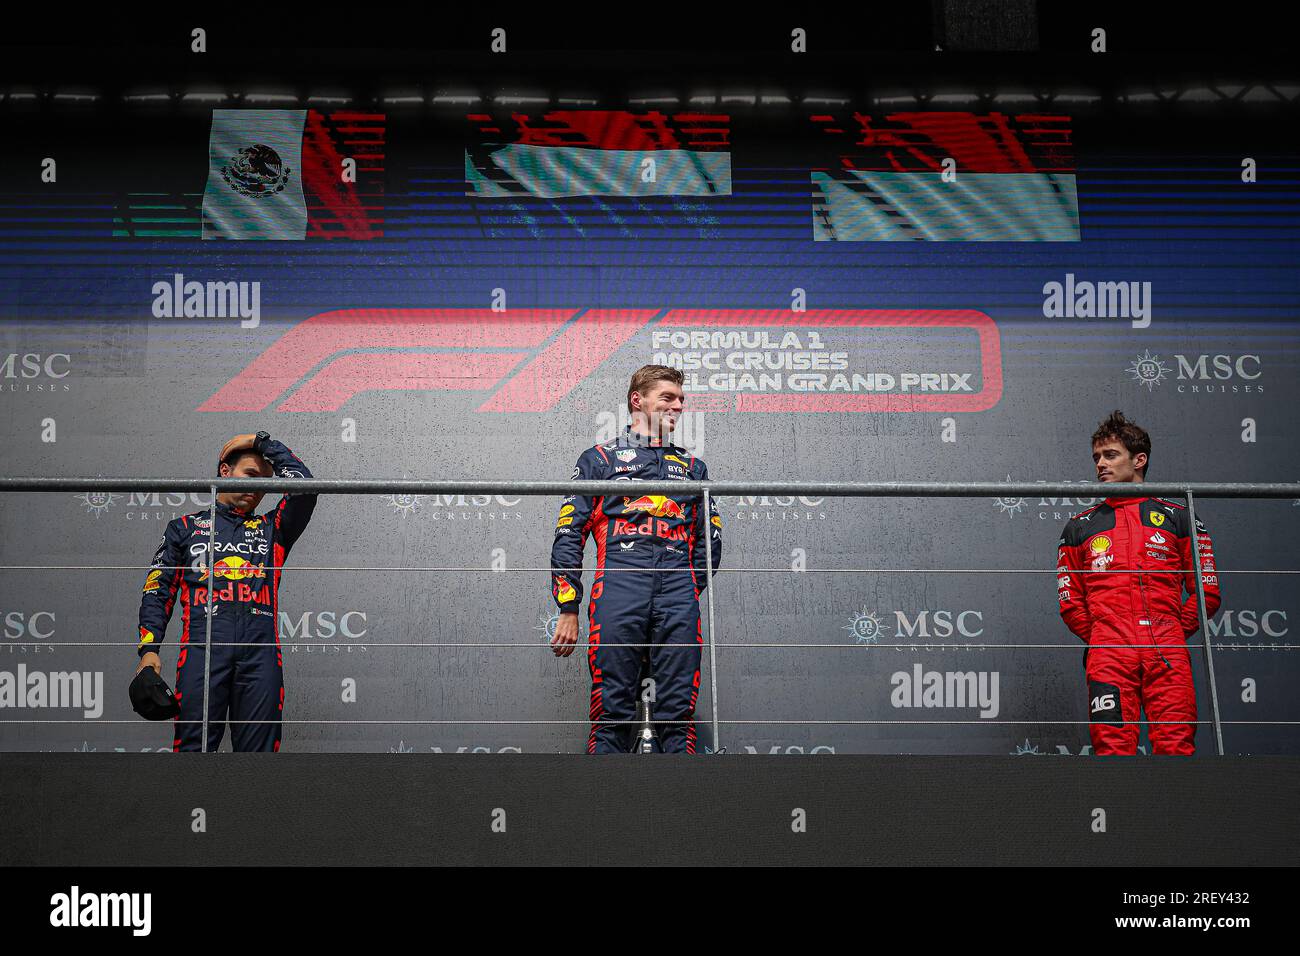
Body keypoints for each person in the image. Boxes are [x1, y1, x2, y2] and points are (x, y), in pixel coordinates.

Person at [549, 365, 722, 754]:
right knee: (611, 715)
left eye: (681, 400)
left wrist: (686, 589)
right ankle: (605, 808)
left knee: (678, 717)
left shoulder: (694, 469)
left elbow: (709, 539)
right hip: (619, 586)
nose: (678, 406)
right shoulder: (599, 460)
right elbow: (568, 533)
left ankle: (685, 809)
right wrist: (568, 606)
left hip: (679, 591)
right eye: (668, 398)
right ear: (637, 400)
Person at [134, 432, 316, 752]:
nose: (258, 488)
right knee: (194, 752)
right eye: (250, 475)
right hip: (202, 653)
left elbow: (305, 486)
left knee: (257, 762)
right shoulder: (184, 528)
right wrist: (148, 650)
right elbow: (157, 591)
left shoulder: (272, 529)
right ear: (225, 472)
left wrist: (261, 442)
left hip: (260, 657)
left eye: (265, 482)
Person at [1057, 411, 1220, 755]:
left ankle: (1173, 811)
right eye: (1097, 457)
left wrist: (1171, 629)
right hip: (1108, 651)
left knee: (1176, 746)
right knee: (1112, 747)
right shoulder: (1080, 526)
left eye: (1110, 455)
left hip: (1167, 648)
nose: (1100, 464)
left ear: (1139, 460)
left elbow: (1206, 592)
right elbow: (1071, 603)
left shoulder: (1180, 518)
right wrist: (1106, 635)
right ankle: (1117, 812)